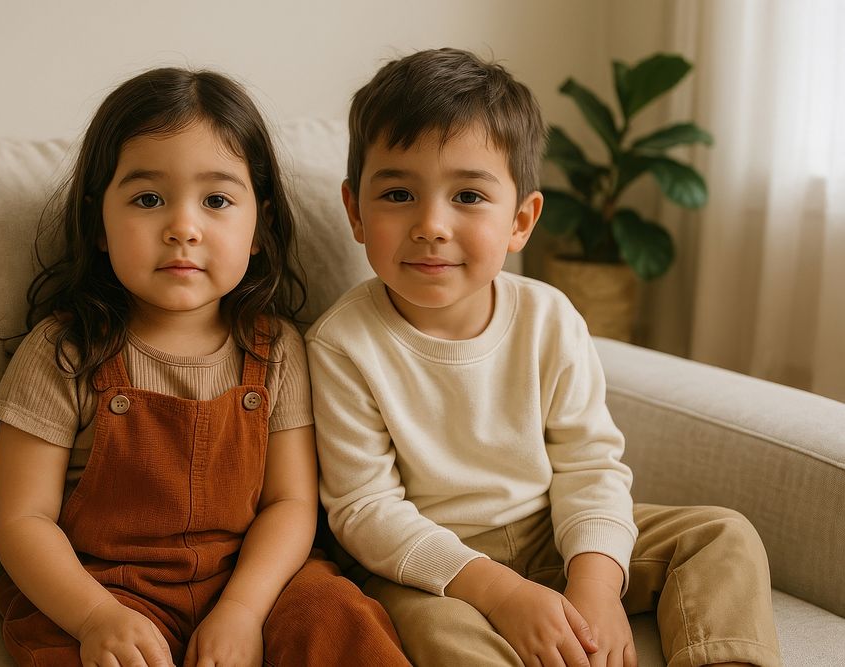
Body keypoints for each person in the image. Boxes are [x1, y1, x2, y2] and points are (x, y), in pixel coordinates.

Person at [306, 48, 780, 667]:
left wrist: (596, 586)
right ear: (355, 212)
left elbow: (590, 465)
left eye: (469, 196)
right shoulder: (341, 343)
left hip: (549, 533)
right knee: (430, 628)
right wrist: (500, 593)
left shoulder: (548, 317)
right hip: (435, 563)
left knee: (721, 534)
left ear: (521, 221)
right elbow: (366, 511)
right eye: (398, 193)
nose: (431, 225)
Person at [0, 67, 409, 667]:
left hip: (253, 582)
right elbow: (22, 519)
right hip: (105, 590)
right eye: (148, 199)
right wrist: (94, 617)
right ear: (100, 224)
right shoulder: (64, 350)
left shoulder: (278, 350)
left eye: (216, 200)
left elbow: (291, 504)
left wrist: (243, 610)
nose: (183, 227)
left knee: (335, 613)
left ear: (257, 227)